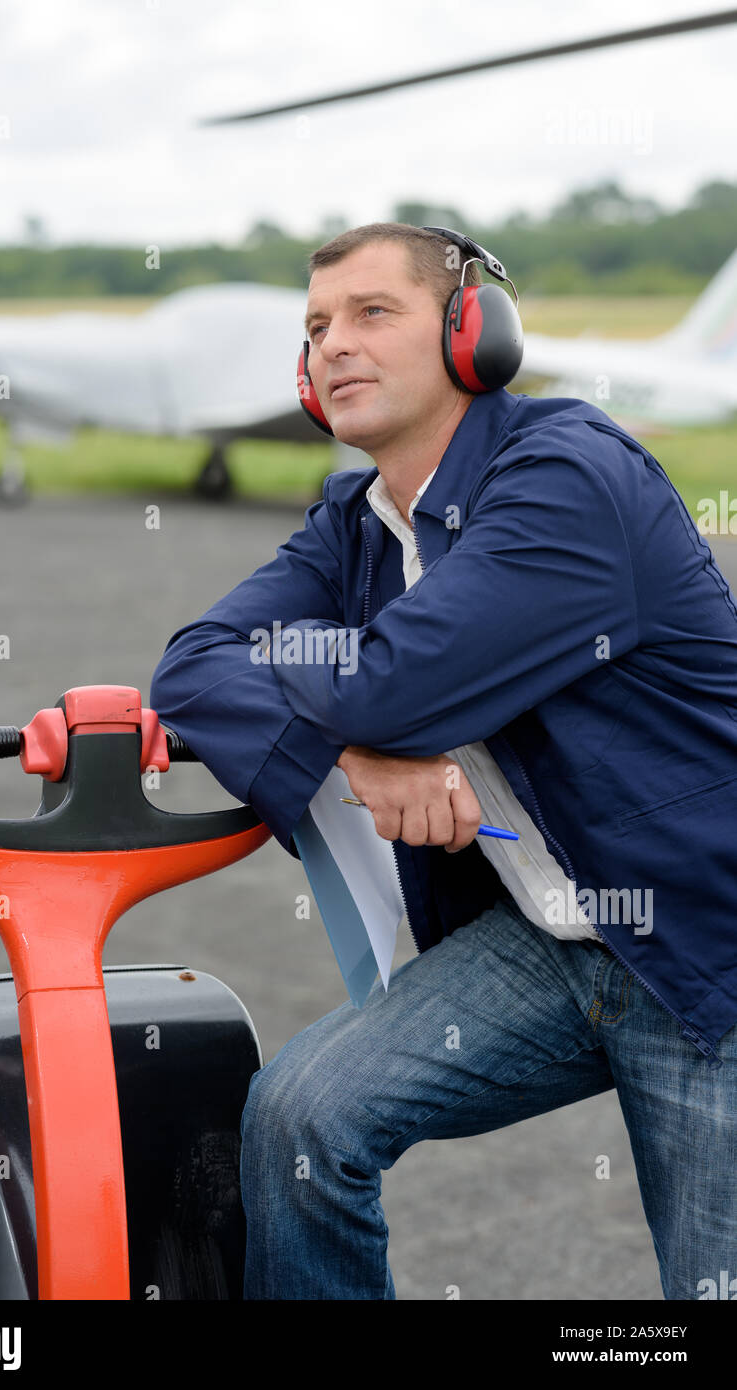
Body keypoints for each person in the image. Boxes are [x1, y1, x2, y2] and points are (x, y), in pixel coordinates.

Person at [149, 222, 737, 1300]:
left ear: (475, 336)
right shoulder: (356, 522)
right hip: (555, 940)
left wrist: (350, 730)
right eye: (317, 326)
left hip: (704, 940)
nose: (334, 345)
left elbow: (389, 687)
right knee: (302, 1114)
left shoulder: (570, 474)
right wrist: (361, 762)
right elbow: (192, 667)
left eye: (374, 314)